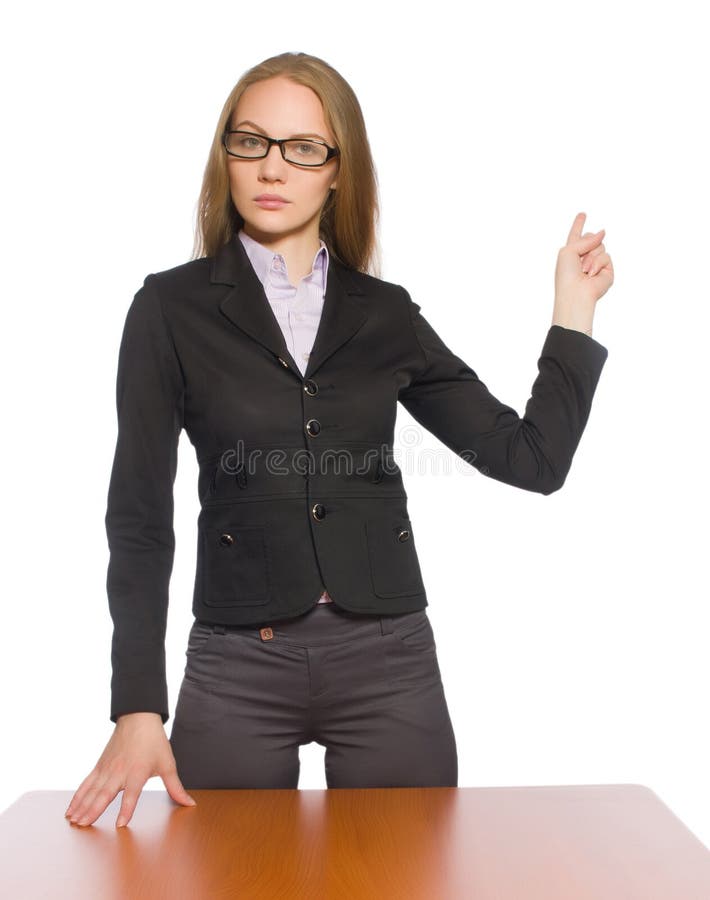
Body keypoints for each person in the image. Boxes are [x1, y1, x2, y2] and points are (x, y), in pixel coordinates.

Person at [65, 51, 614, 829]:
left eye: (303, 148)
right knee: (225, 875)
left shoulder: (384, 314)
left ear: (337, 171)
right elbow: (139, 521)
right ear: (225, 155)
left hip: (389, 660)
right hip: (236, 662)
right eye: (249, 141)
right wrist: (136, 706)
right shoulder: (168, 309)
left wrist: (573, 312)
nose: (271, 167)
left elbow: (532, 460)